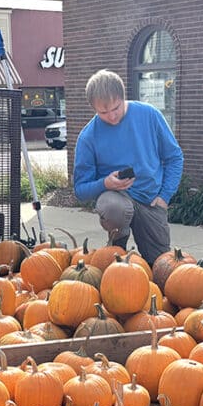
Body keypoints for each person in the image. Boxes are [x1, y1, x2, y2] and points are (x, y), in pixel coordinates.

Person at [73, 69, 184, 265]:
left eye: (116, 108)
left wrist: (164, 197)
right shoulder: (88, 137)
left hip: (151, 200)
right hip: (117, 199)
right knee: (113, 207)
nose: (112, 117)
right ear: (93, 108)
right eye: (103, 112)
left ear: (123, 97)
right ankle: (117, 244)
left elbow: (174, 157)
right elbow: (81, 190)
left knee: (161, 265)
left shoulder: (149, 115)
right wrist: (105, 183)